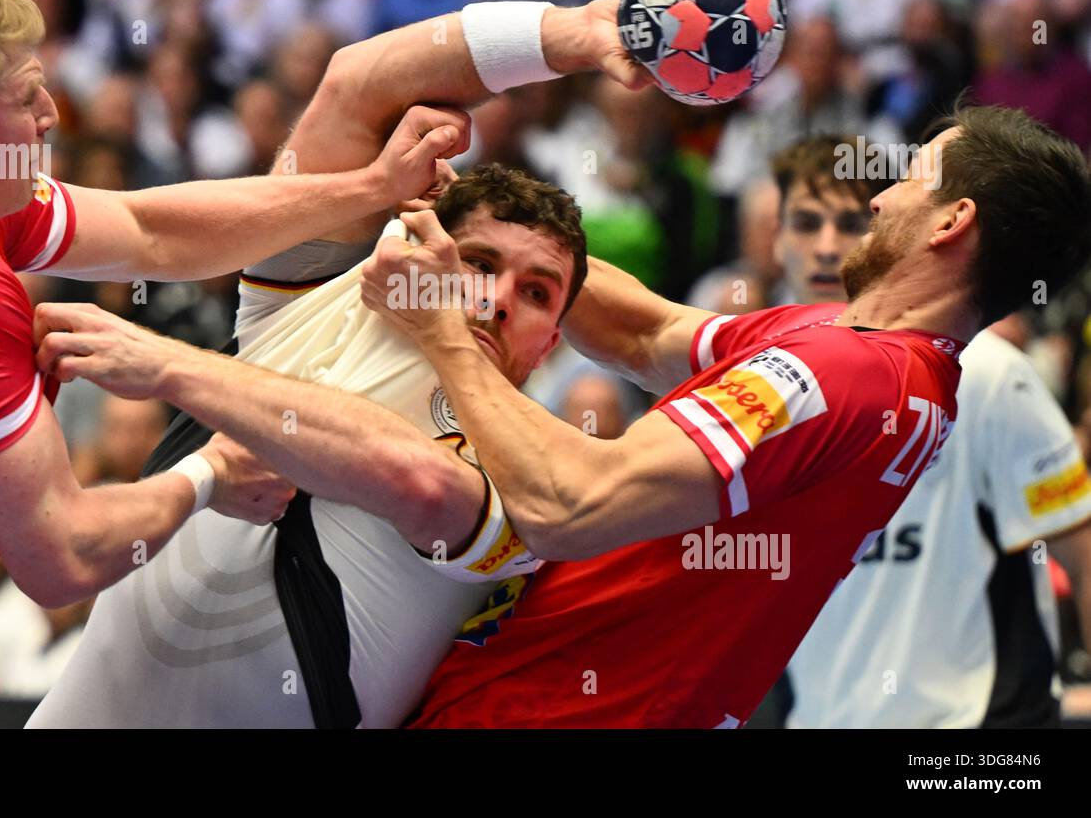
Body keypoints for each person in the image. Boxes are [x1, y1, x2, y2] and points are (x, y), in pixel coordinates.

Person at [0, 0, 461, 729]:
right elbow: (62, 558)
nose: (51, 116)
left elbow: (154, 234)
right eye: (26, 97)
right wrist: (209, 473)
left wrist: (370, 186)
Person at [356, 103, 1091, 727]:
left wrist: (444, 328)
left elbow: (569, 502)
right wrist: (477, 214)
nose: (879, 200)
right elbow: (642, 333)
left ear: (952, 221)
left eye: (910, 179)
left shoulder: (847, 371)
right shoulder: (863, 352)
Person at [27, 0, 651, 728]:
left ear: (553, 343)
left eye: (538, 293)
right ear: (419, 240)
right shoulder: (315, 297)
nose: (500, 300)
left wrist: (170, 365)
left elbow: (415, 481)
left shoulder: (533, 462)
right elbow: (355, 85)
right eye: (480, 263)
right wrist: (566, 34)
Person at [765, 138, 1091, 728]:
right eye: (806, 224)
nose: (827, 247)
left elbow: (1084, 561)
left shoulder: (988, 374)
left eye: (849, 223)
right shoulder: (767, 386)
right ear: (775, 239)